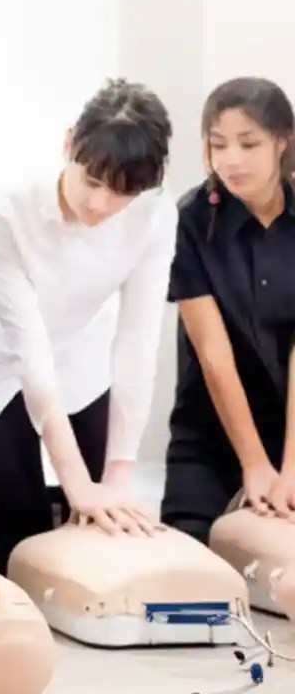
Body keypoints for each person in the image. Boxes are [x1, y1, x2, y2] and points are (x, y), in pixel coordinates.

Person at [0, 79, 175, 574]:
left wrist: (118, 473)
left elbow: (138, 343)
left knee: (106, 513)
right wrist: (74, 479)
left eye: (120, 193)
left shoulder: (154, 219)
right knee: (23, 527)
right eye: (92, 181)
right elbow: (31, 354)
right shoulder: (6, 213)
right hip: (0, 367)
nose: (99, 206)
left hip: (83, 360)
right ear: (69, 143)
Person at [162, 77, 295, 542]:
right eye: (218, 144)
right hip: (209, 434)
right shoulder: (189, 220)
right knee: (188, 560)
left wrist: (290, 467)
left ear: (282, 141)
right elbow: (214, 357)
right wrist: (255, 465)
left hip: (291, 428)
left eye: (248, 143)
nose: (231, 159)